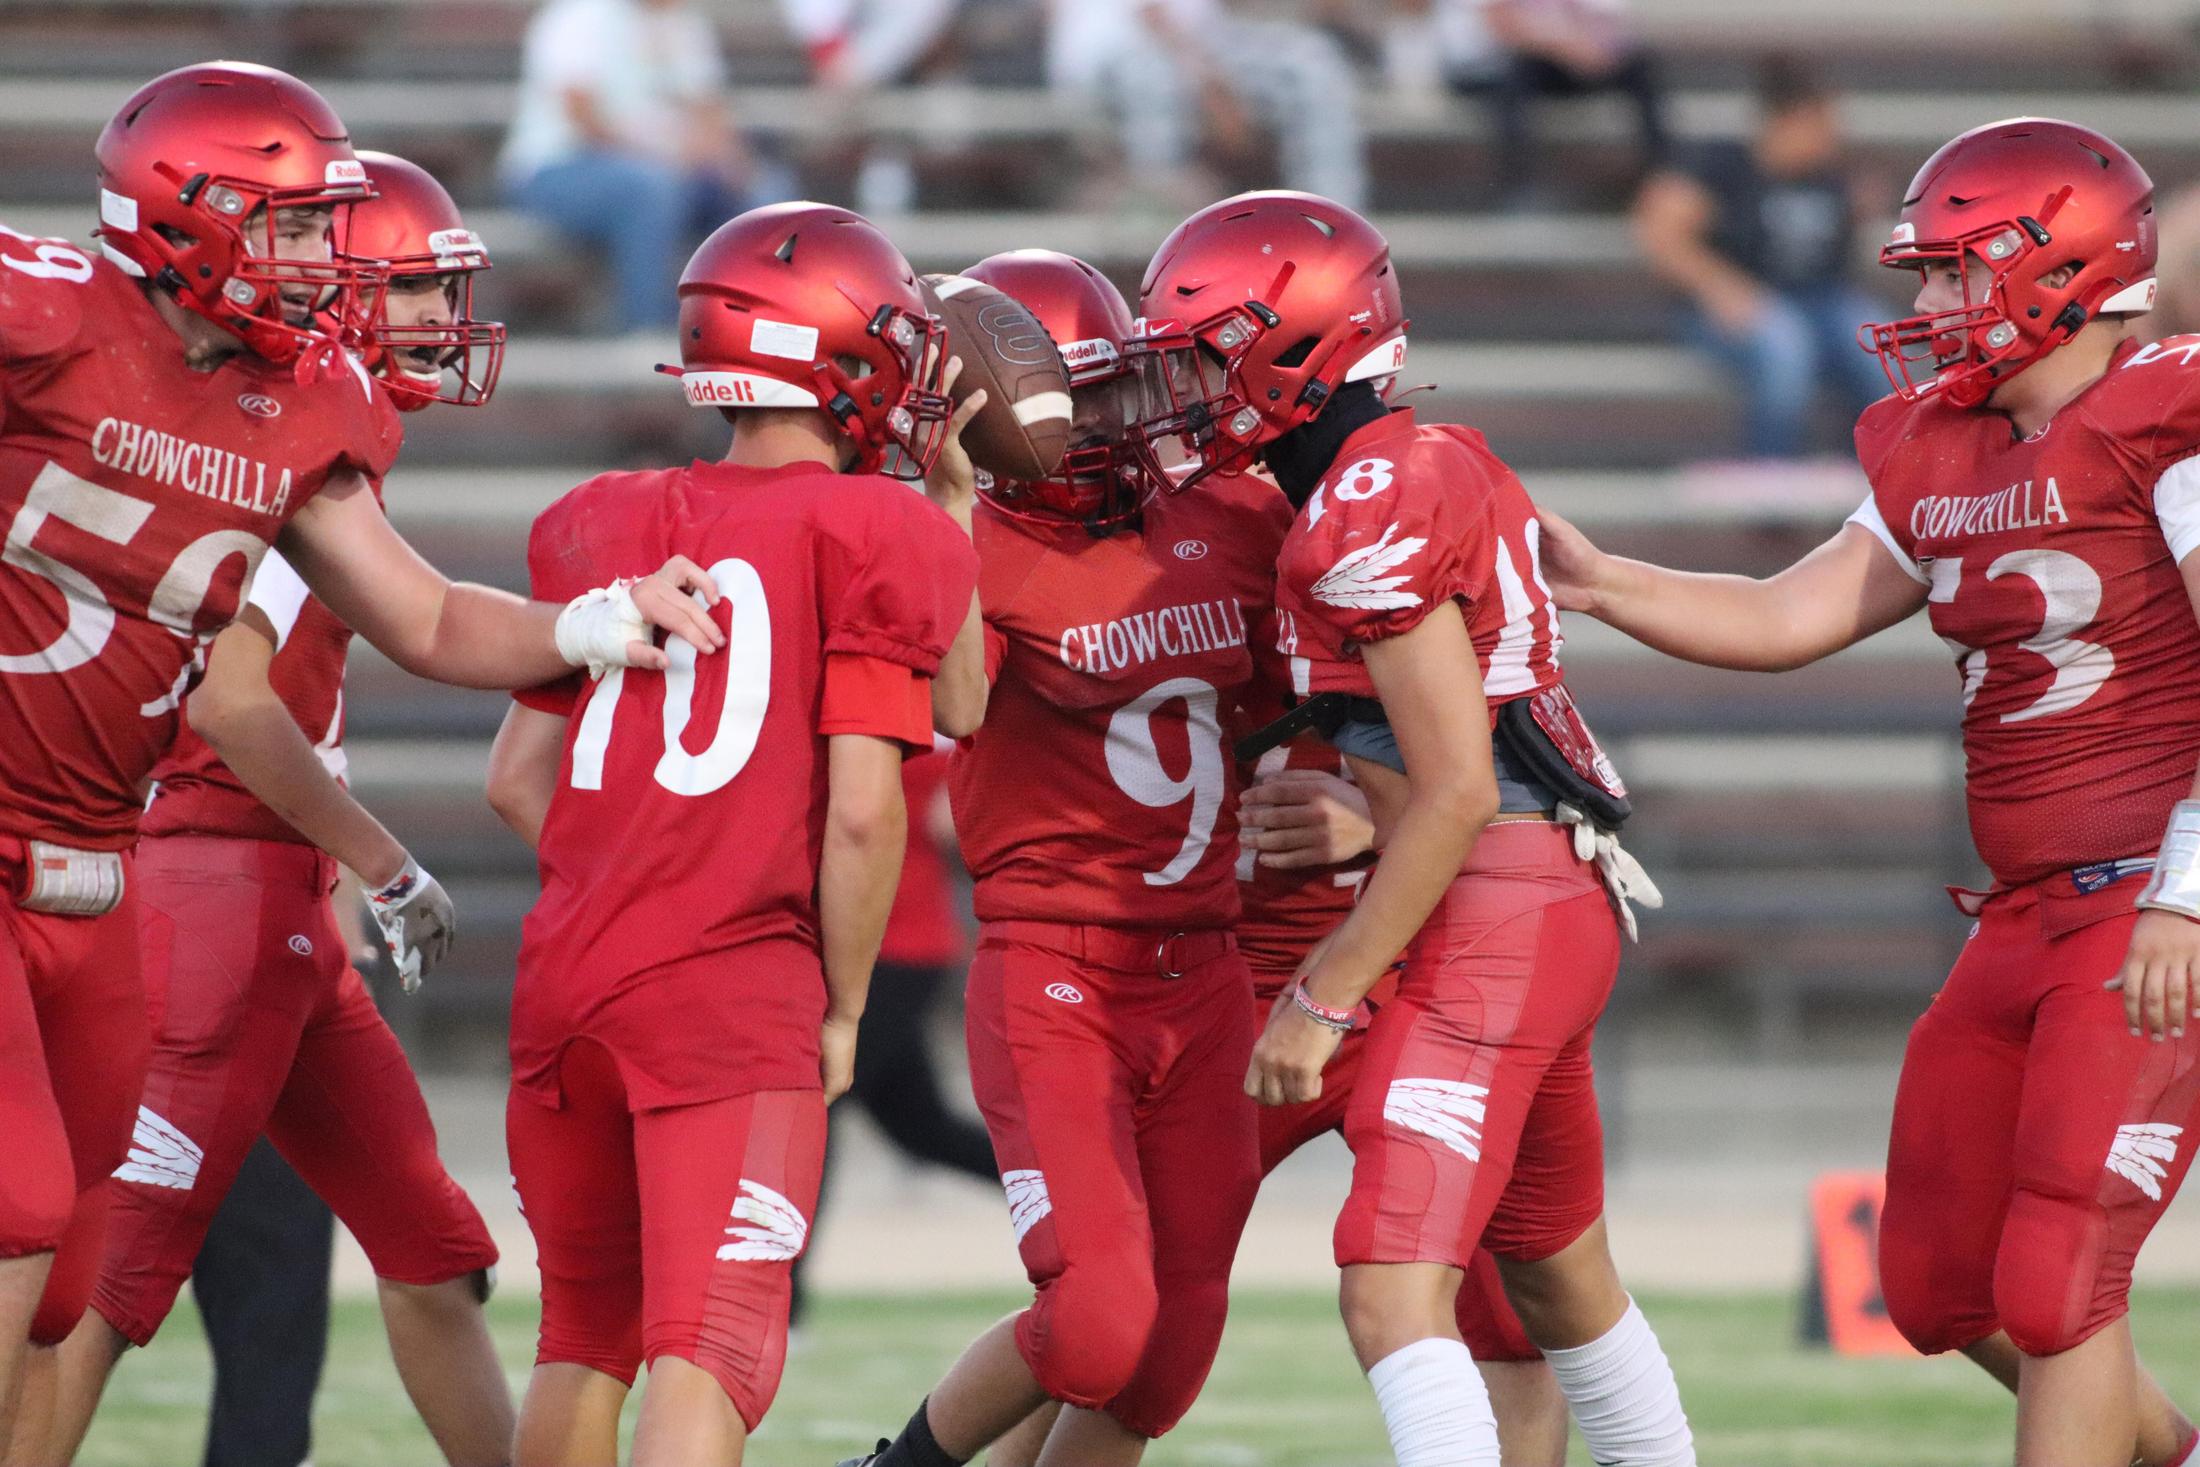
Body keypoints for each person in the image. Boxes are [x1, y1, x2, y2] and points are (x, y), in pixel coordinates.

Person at [0, 59, 715, 1460]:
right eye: (286, 224)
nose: (315, 259)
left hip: (97, 880)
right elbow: (239, 702)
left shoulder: (307, 399)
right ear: (180, 213)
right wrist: (377, 856)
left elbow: (429, 612)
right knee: (25, 1216)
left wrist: (593, 621)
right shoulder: (48, 315)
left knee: (74, 1278)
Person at [1540, 118, 2200, 1467]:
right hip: (2023, 913)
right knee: (1939, 1278)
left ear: (2062, 269)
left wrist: (2189, 898)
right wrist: (1607, 580)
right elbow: (1793, 611)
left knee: (2060, 1278)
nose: (1925, 307)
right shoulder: (1948, 442)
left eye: (1954, 275)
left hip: (2150, 898)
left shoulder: (2168, 420)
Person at [1122, 189, 1690, 1467]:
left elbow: (1454, 790)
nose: (1190, 386)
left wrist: (1322, 994)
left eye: (1207, 353)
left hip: (1493, 902)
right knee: (1556, 1280)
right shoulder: (1419, 462)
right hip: (1544, 897)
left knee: (1389, 1285)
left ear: (1298, 347)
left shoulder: (1365, 506)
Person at [481, 200, 984, 1467]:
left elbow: (512, 781)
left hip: (569, 981)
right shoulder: (879, 529)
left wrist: (636, 867)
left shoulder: (596, 516)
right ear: (846, 358)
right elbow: (871, 810)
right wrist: (842, 1010)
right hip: (729, 994)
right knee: (708, 1357)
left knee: (582, 1341)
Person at [42, 152, 517, 1467]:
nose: (437, 320)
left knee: (428, 1242)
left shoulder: (313, 435)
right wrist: (383, 855)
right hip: (220, 888)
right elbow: (233, 704)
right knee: (116, 1277)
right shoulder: (283, 439)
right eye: (413, 290)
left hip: (275, 907)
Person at [844, 247, 1287, 1467]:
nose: (1091, 423)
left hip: (1209, 974)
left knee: (1168, 1356)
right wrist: (941, 507)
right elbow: (963, 703)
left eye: (1109, 391)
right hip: (1059, 972)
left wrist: (1352, 801)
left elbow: (1334, 700)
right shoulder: (965, 542)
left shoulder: (1232, 519)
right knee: (1095, 1326)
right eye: (1060, 397)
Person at [1234, 672, 1572, 1465]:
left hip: (1409, 973)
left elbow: (1520, 790)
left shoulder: (1385, 572)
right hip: (1221, 987)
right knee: (1118, 1308)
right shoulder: (1198, 574)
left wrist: (1388, 819)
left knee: (1514, 1299)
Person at [1632, 57, 1889, 459]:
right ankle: (1771, 483)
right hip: (1738, 301)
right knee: (1783, 347)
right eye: (1819, 124)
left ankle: (1876, 472)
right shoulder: (1725, 165)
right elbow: (1660, 231)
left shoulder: (1831, 175)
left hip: (1821, 300)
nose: (1831, 137)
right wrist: (1719, 286)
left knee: (1881, 348)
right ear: (1786, 122)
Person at [502, 0, 777, 332]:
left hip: (668, 170)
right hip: (560, 168)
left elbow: (710, 110)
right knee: (649, 190)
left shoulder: (685, 25)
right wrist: (666, 153)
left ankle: (751, 337)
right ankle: (645, 335)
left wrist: (729, 161)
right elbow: (581, 114)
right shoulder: (580, 15)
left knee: (765, 196)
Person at [1044, 0, 1367, 212]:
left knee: (1310, 59)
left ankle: (1333, 219)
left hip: (1196, 51)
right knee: (1149, 72)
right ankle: (1160, 216)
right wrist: (1212, 85)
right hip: (1112, 59)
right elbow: (1150, 17)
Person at [1444, 0, 1667, 210]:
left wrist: (1594, 51)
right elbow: (1501, 25)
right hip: (1529, 63)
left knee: (1640, 68)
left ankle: (1661, 176)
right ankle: (1519, 185)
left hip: (1580, 63)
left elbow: (1612, 25)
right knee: (1510, 79)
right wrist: (1562, 45)